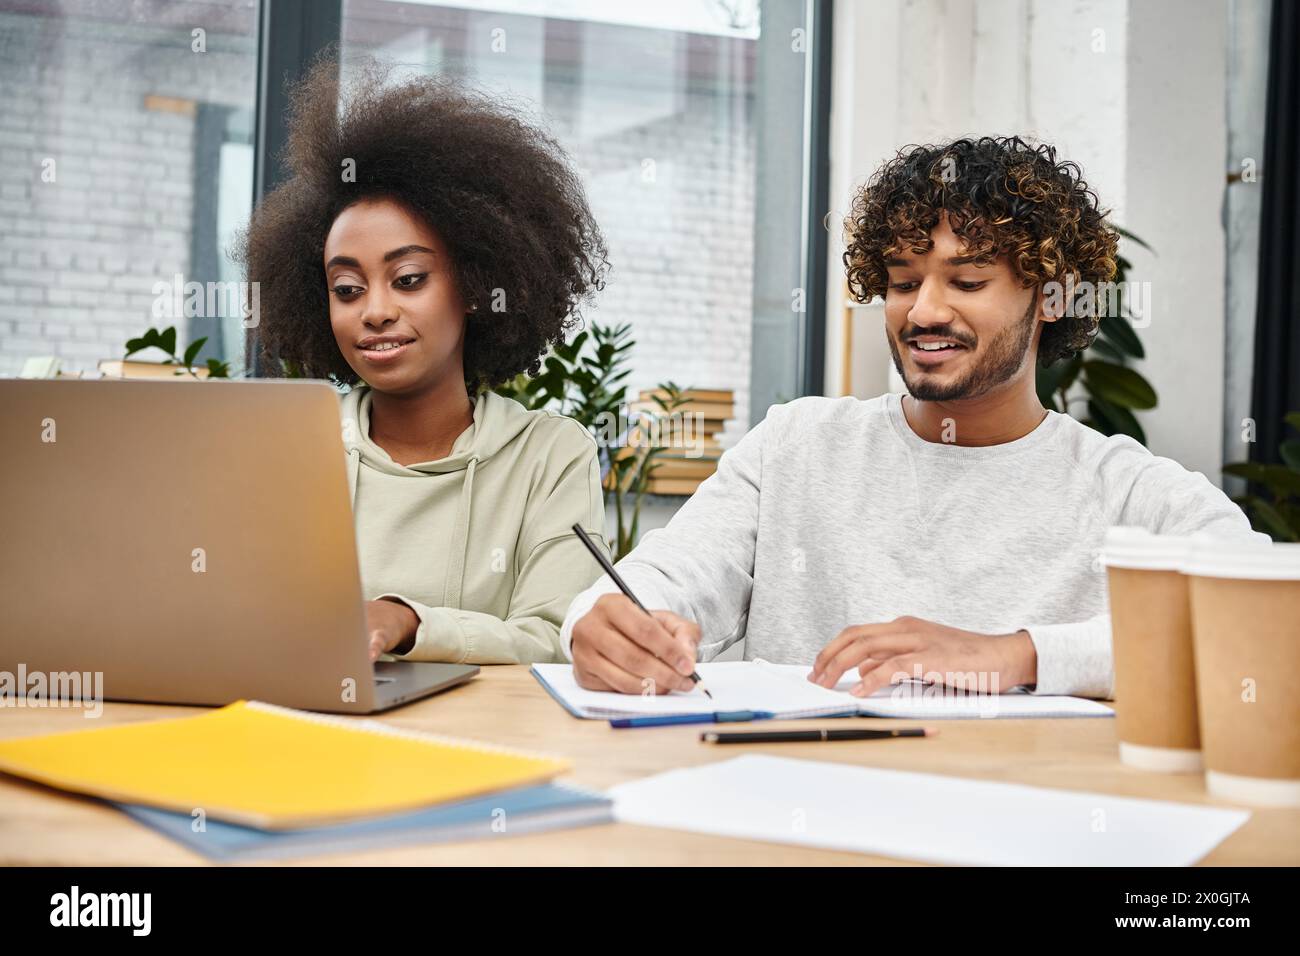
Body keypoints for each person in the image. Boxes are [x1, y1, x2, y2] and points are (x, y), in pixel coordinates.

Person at [563, 135, 1269, 699]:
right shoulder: (796, 448)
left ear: (1053, 298)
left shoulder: (1129, 489)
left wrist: (1012, 655)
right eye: (903, 282)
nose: (924, 311)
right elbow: (660, 578)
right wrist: (600, 628)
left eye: (967, 281)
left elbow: (1255, 622)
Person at [239, 60, 610, 665]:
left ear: (473, 283)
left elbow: (554, 642)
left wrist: (411, 624)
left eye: (408, 279)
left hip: (483, 749)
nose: (375, 312)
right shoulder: (294, 447)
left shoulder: (549, 455)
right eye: (348, 289)